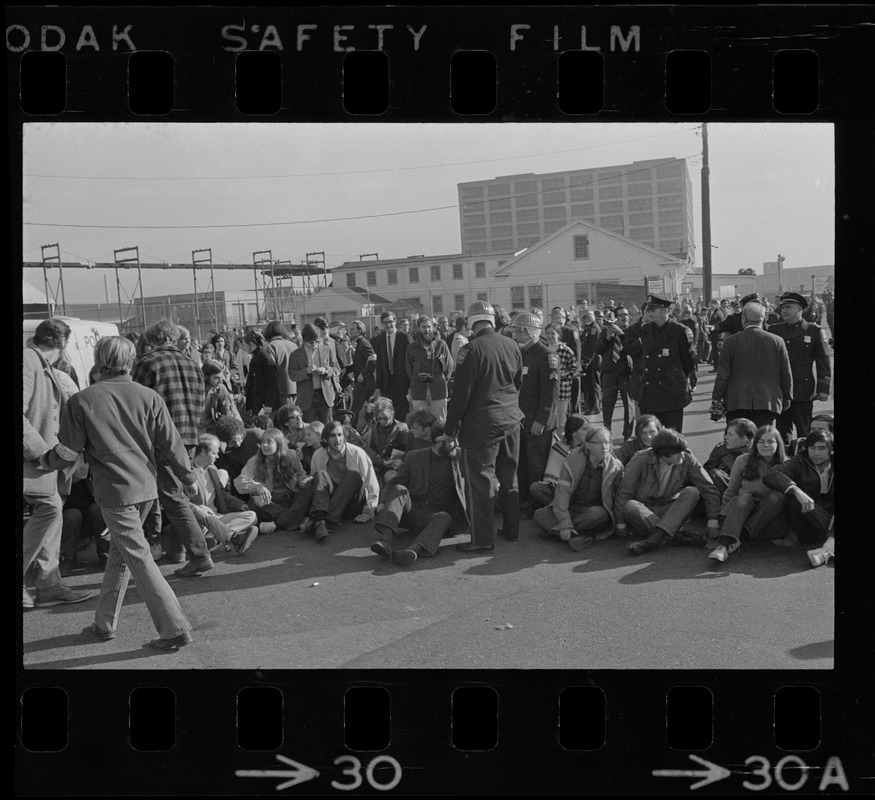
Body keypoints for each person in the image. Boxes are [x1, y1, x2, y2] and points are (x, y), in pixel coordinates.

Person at [40, 336, 195, 650]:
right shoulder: (149, 396)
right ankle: (103, 623)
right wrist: (188, 477)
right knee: (120, 556)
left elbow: (68, 452)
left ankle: (175, 628)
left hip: (114, 491)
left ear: (100, 360)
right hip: (147, 487)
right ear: (131, 360)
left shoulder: (82, 401)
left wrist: (44, 459)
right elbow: (172, 443)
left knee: (137, 558)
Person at [131, 319, 213, 578]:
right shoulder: (192, 364)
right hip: (187, 436)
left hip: (161, 438)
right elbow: (201, 406)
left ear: (153, 339)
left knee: (172, 497)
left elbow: (136, 405)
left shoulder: (147, 363)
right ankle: (180, 550)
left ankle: (199, 555)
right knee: (177, 495)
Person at [23, 318, 94, 609]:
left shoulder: (40, 363)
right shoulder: (29, 361)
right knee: (50, 509)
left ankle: (49, 585)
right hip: (34, 461)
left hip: (43, 464)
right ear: (62, 343)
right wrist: (40, 451)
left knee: (54, 513)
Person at [445, 300, 524, 552]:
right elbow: (517, 381)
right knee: (509, 477)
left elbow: (460, 395)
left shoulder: (470, 349)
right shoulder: (512, 344)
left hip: (482, 426)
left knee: (480, 482)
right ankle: (511, 529)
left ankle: (481, 539)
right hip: (511, 419)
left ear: (470, 322)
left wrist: (450, 429)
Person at [369, 421, 469, 566]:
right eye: (451, 441)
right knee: (399, 489)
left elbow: (479, 475)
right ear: (437, 441)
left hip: (434, 516)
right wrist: (383, 502)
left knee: (445, 517)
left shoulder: (460, 458)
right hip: (411, 510)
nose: (456, 444)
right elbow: (394, 482)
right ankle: (385, 541)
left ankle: (412, 550)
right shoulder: (414, 457)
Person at [617, 428, 721, 555]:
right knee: (631, 506)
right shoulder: (641, 459)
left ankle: (653, 540)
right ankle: (675, 537)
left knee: (692, 492)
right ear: (662, 454)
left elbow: (708, 487)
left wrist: (713, 518)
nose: (682, 455)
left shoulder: (687, 457)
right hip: (646, 511)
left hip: (671, 510)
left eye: (682, 451)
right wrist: (620, 523)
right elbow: (624, 492)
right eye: (677, 453)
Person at [533, 426, 623, 551]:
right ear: (587, 445)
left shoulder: (616, 467)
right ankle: (579, 534)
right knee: (540, 514)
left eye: (607, 442)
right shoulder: (572, 461)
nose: (604, 447)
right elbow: (562, 493)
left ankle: (557, 532)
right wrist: (565, 522)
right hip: (574, 508)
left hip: (593, 511)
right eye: (598, 443)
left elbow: (619, 497)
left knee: (597, 514)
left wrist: (620, 523)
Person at [709, 425, 788, 563]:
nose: (765, 445)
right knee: (744, 497)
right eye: (761, 441)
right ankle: (724, 545)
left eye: (770, 441)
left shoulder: (787, 464)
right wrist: (721, 516)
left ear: (778, 444)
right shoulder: (743, 460)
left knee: (777, 496)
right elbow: (731, 490)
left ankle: (740, 535)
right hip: (741, 510)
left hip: (766, 516)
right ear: (755, 444)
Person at [509, 311, 560, 522]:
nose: (516, 334)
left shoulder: (547, 356)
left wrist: (541, 421)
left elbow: (550, 395)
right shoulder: (523, 353)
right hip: (522, 420)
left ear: (529, 332)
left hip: (538, 422)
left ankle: (536, 503)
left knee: (536, 465)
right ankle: (524, 500)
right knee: (522, 463)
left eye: (519, 331)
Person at [710, 302, 793, 428]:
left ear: (743, 319)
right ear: (763, 318)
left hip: (736, 402)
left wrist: (716, 398)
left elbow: (723, 374)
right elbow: (785, 372)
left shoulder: (730, 342)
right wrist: (787, 396)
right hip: (766, 402)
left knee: (737, 442)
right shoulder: (777, 341)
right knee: (760, 440)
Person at [768, 292, 831, 445]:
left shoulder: (813, 331)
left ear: (800, 309)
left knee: (805, 431)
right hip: (781, 390)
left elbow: (823, 360)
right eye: (782, 307)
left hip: (803, 390)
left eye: (788, 307)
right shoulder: (774, 331)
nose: (784, 311)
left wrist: (823, 388)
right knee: (782, 432)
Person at [626, 295, 696, 432]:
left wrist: (677, 379)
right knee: (652, 437)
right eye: (648, 310)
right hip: (651, 392)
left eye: (653, 310)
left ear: (664, 311)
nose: (649, 313)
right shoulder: (645, 330)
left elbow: (688, 363)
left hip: (671, 392)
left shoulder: (680, 331)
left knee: (672, 436)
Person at [304, 420, 380, 540]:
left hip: (353, 502)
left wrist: (368, 511)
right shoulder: (318, 455)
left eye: (340, 435)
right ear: (325, 439)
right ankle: (321, 521)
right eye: (333, 436)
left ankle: (319, 521)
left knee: (352, 474)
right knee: (319, 475)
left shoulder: (358, 453)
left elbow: (371, 483)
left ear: (344, 437)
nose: (337, 439)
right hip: (332, 499)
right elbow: (318, 489)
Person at [762, 428, 834, 549]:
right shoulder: (800, 461)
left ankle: (830, 543)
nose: (816, 453)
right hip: (807, 521)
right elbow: (771, 474)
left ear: (831, 450)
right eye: (812, 448)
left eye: (821, 448)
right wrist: (796, 491)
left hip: (829, 519)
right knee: (795, 500)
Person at [188, 434, 259, 553]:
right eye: (214, 453)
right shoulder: (188, 473)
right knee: (202, 510)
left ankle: (217, 537)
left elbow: (222, 494)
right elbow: (179, 501)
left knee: (251, 516)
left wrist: (240, 504)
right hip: (199, 520)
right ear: (204, 452)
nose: (217, 456)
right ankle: (231, 538)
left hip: (217, 517)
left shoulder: (212, 469)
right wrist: (196, 508)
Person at [234, 428, 313, 535]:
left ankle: (278, 524)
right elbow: (239, 482)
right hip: (271, 502)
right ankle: (301, 519)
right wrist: (258, 487)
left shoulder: (291, 455)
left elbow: (301, 473)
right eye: (262, 442)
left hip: (292, 497)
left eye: (269, 442)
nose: (264, 445)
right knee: (254, 502)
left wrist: (302, 480)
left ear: (279, 443)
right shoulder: (255, 461)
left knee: (309, 488)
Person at [529, 414, 590, 508]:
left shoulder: (589, 447)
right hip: (560, 489)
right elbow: (553, 478)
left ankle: (563, 510)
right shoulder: (559, 448)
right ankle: (561, 508)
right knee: (535, 488)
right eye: (584, 429)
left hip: (580, 491)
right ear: (574, 432)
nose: (589, 432)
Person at [288, 323, 340, 424]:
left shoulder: (326, 350)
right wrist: (306, 371)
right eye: (311, 343)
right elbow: (292, 375)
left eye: (317, 342)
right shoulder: (296, 355)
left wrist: (325, 370)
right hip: (306, 398)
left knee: (328, 427)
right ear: (304, 341)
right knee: (310, 429)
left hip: (324, 396)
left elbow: (337, 368)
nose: (314, 345)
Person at [595, 307, 633, 439]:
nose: (625, 317)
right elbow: (598, 350)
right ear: (615, 318)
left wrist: (621, 334)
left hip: (625, 372)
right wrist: (607, 339)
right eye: (621, 315)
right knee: (607, 404)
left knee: (628, 405)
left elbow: (632, 349)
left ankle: (627, 434)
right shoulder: (606, 330)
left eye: (626, 314)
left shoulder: (631, 331)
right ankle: (607, 433)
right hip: (609, 372)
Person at [406, 315, 452, 421]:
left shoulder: (441, 345)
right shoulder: (412, 348)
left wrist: (440, 380)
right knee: (419, 421)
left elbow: (449, 367)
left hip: (438, 390)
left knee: (440, 421)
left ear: (433, 328)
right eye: (423, 327)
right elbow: (409, 370)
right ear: (418, 329)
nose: (427, 330)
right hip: (418, 390)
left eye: (429, 327)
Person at [372, 311, 413, 421]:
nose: (388, 325)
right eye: (385, 322)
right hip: (387, 385)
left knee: (402, 416)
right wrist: (378, 387)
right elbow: (379, 365)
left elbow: (412, 363)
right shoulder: (379, 340)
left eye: (390, 321)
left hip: (403, 385)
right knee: (388, 415)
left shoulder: (405, 338)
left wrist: (411, 385)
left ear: (395, 322)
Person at [206, 414, 265, 492]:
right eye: (232, 442)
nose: (237, 444)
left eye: (238, 438)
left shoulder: (256, 434)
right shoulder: (225, 451)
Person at [703, 418, 757, 500]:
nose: (725, 437)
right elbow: (706, 471)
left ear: (744, 439)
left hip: (745, 495)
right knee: (715, 474)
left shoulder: (756, 454)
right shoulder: (721, 449)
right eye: (726, 433)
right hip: (718, 493)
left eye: (730, 434)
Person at [363, 397, 409, 485]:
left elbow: (407, 450)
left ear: (392, 414)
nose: (383, 421)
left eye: (386, 418)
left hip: (395, 467)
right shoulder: (374, 429)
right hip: (378, 465)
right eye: (379, 419)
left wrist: (399, 460)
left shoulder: (402, 428)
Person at [542, 322, 578, 431]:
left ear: (558, 334)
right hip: (545, 391)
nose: (549, 336)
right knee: (547, 419)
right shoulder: (542, 350)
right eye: (547, 333)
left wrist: (561, 374)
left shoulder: (566, 351)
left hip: (562, 390)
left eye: (552, 333)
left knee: (561, 421)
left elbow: (573, 368)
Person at [342, 319, 377, 421]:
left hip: (366, 384)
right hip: (363, 383)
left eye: (352, 329)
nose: (350, 331)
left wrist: (363, 374)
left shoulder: (364, 344)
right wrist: (346, 369)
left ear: (359, 331)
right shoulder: (359, 344)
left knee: (355, 410)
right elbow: (358, 364)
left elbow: (373, 361)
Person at [240, 329, 278, 417]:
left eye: (245, 345)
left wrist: (269, 404)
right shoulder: (256, 357)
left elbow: (271, 383)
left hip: (264, 405)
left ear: (252, 345)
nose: (244, 348)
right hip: (257, 402)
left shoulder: (265, 359)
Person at [264, 321, 298, 407]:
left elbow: (270, 370)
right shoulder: (293, 345)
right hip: (297, 387)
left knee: (284, 417)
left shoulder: (270, 347)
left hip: (281, 389)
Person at [200, 361, 242, 430]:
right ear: (206, 377)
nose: (220, 381)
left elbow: (228, 412)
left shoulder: (220, 389)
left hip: (214, 429)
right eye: (216, 378)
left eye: (221, 378)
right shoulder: (195, 390)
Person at [576, 307, 602, 414]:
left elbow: (593, 346)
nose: (583, 320)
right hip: (588, 360)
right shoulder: (588, 328)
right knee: (588, 384)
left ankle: (595, 407)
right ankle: (589, 404)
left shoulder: (594, 328)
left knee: (593, 383)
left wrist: (587, 360)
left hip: (593, 360)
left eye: (584, 317)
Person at [706, 298, 727, 372]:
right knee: (718, 351)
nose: (710, 307)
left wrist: (709, 330)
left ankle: (717, 367)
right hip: (720, 334)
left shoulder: (716, 313)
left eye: (711, 305)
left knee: (716, 351)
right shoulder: (720, 312)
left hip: (716, 334)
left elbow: (713, 324)